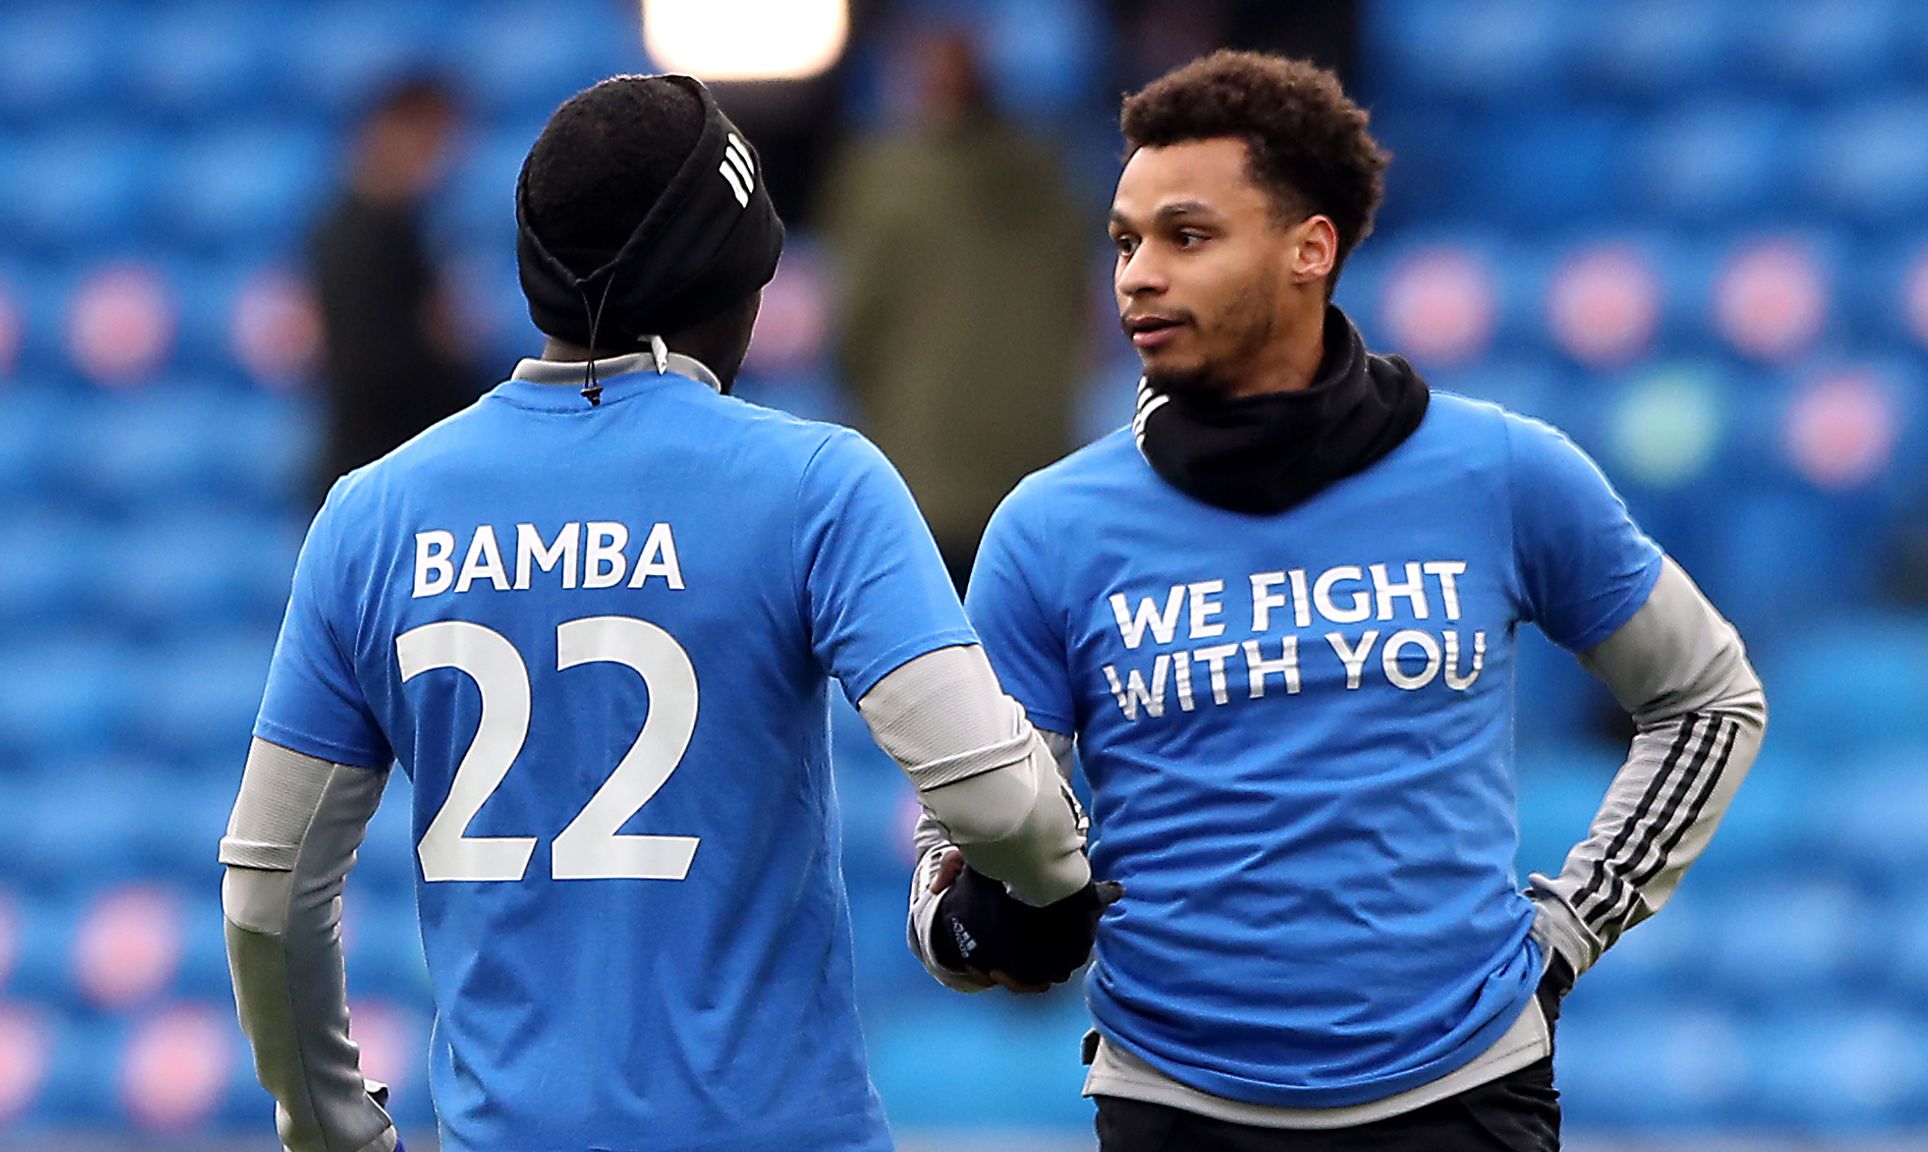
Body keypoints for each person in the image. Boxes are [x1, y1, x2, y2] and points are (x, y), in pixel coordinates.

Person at [221, 74, 1113, 1152]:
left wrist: (334, 1129)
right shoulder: (815, 484)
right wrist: (1042, 887)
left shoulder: (370, 516)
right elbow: (1000, 801)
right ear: (727, 278)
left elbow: (268, 895)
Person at [908, 51, 1767, 1152]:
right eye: (1123, 242)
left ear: (1310, 249)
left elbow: (1706, 699)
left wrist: (1567, 931)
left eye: (1186, 236)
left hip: (1463, 1099)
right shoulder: (1048, 527)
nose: (1136, 277)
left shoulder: (1503, 472)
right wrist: (971, 923)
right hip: (1178, 1111)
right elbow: (957, 839)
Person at [822, 26, 1092, 590]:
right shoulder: (1055, 177)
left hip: (924, 474)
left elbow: (855, 322)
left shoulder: (887, 180)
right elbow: (1081, 305)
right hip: (1039, 468)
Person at [307, 77, 478, 500]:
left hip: (379, 461)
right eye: (431, 142)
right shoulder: (367, 237)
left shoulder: (389, 229)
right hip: (381, 464)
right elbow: (373, 363)